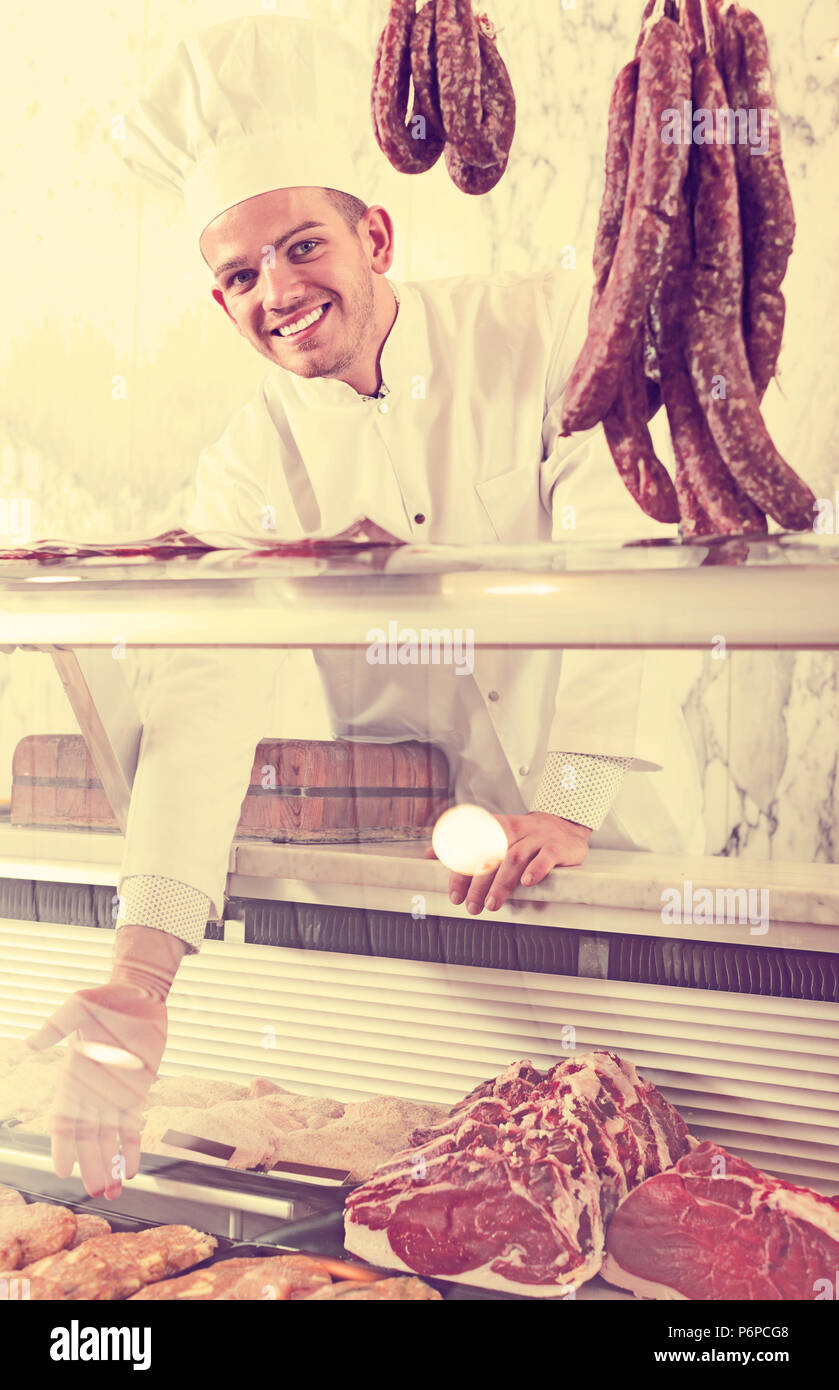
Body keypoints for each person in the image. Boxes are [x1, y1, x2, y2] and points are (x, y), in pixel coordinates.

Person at [27, 16, 703, 1199]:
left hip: (619, 844)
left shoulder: (537, 326)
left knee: (647, 1156)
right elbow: (203, 699)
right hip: (435, 873)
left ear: (374, 233)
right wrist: (140, 978)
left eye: (300, 248)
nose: (278, 294)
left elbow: (621, 555)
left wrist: (574, 793)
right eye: (239, 277)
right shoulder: (247, 464)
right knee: (477, 1174)